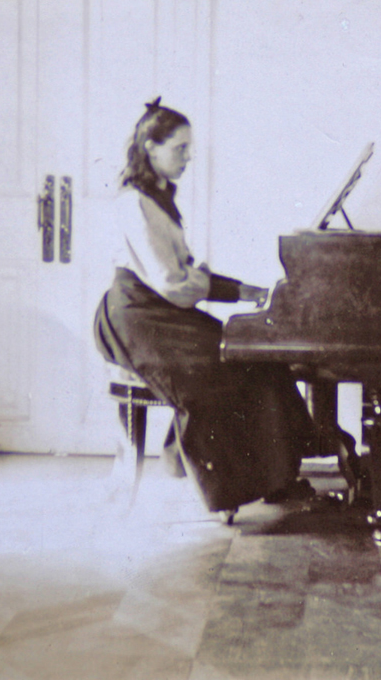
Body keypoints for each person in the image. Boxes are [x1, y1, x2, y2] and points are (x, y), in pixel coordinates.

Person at [94, 98, 327, 514]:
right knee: (228, 370)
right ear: (149, 145)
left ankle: (276, 479)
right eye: (179, 148)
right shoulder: (135, 203)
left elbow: (182, 275)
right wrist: (223, 286)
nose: (187, 157)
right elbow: (173, 283)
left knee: (258, 359)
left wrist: (247, 291)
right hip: (137, 320)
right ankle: (224, 481)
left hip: (159, 313)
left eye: (189, 148)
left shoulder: (156, 197)